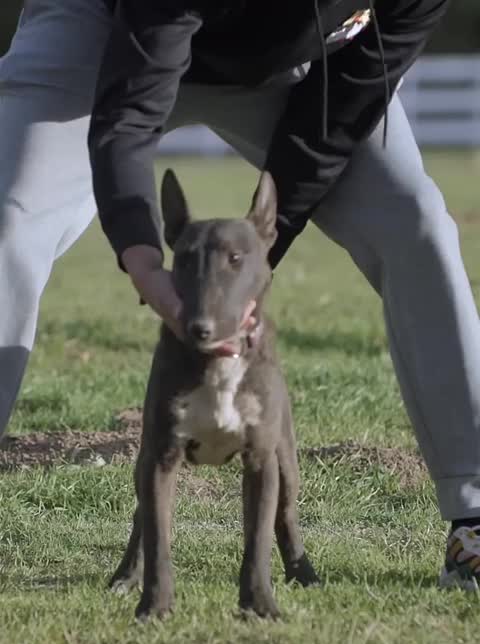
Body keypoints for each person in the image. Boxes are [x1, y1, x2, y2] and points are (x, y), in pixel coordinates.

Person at [2, 1, 480, 591]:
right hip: (106, 32)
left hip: (296, 63)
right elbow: (129, 114)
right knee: (10, 219)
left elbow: (335, 117)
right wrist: (144, 261)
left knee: (419, 222)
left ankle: (474, 518)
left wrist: (249, 266)